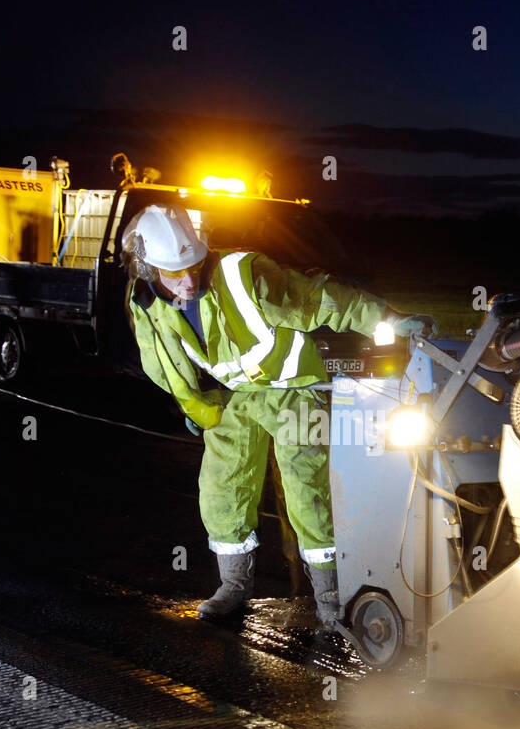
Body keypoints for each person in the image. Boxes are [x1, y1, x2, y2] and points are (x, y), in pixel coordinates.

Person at [120, 203, 425, 627]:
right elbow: (161, 360)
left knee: (307, 489)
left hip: (292, 389)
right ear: (150, 270)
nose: (189, 281)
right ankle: (233, 587)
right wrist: (189, 400)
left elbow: (322, 298)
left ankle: (330, 597)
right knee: (221, 486)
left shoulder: (245, 278)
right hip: (234, 396)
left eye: (194, 267)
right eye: (175, 273)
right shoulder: (148, 303)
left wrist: (387, 318)